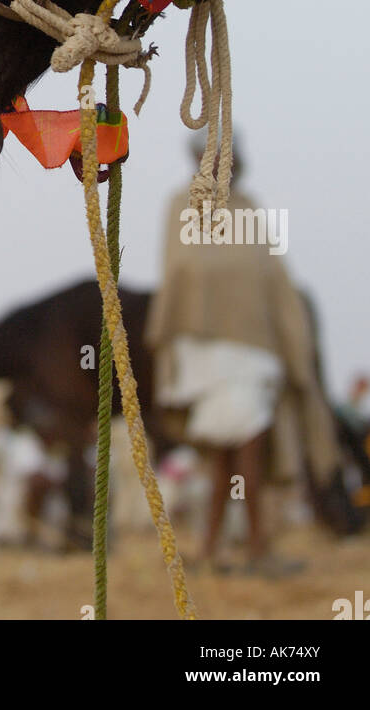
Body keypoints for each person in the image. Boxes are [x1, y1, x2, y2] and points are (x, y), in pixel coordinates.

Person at [145, 137, 341, 576]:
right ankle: (238, 549)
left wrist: (291, 341)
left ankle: (239, 548)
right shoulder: (182, 205)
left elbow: (272, 276)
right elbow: (183, 269)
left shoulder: (250, 208)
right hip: (206, 348)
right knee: (227, 454)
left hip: (252, 348)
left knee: (245, 448)